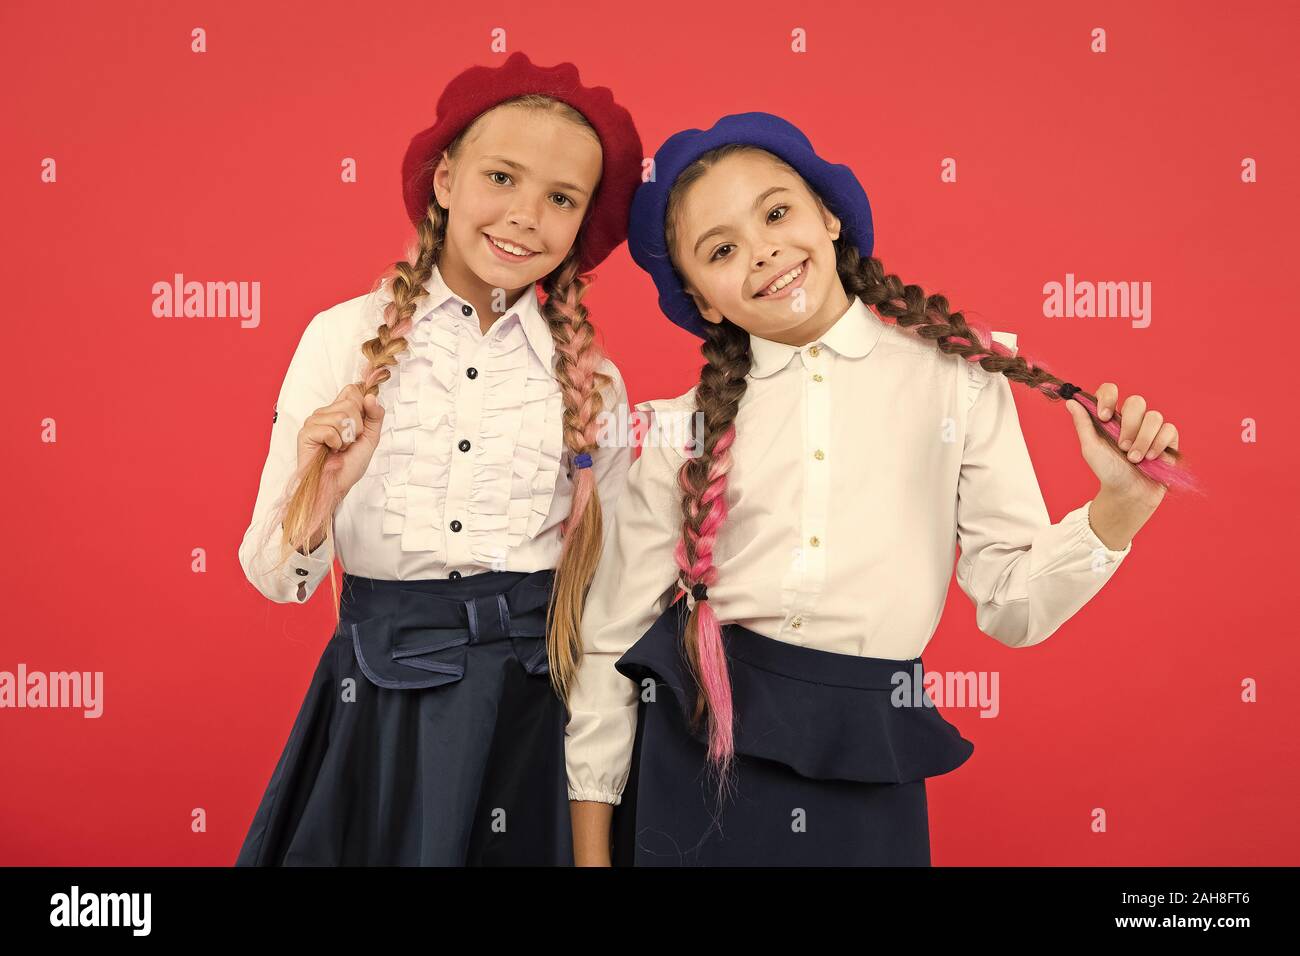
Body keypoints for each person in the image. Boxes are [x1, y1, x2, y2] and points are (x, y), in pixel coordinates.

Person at [566, 112, 1195, 866]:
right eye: (722, 249)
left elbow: (1011, 605)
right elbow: (608, 642)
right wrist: (592, 849)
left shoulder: (959, 375)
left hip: (870, 746)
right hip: (695, 760)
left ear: (828, 215)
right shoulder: (676, 431)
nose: (763, 250)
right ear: (701, 299)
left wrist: (1115, 513)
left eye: (777, 212)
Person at [235, 52, 642, 866]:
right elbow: (274, 576)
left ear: (583, 221)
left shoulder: (595, 383)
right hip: (381, 716)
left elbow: (614, 605)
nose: (525, 215)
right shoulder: (341, 339)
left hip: (535, 720)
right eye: (501, 177)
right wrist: (324, 493)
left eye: (560, 198)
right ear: (446, 180)